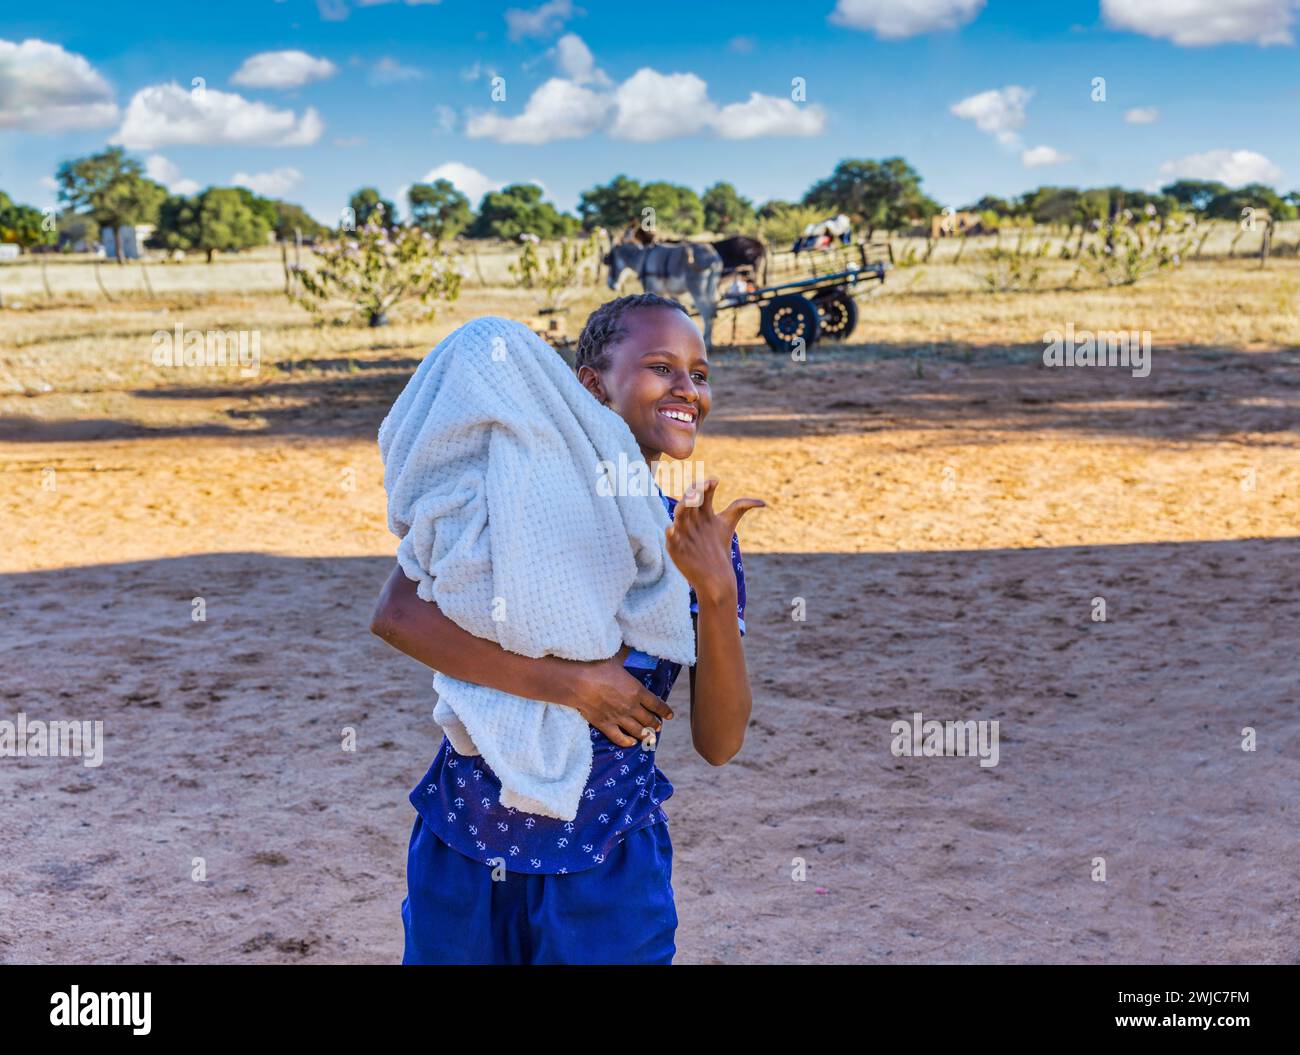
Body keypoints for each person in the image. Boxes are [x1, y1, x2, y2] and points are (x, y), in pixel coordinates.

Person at [370, 292, 765, 964]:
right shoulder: (513, 503)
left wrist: (716, 590)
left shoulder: (694, 536)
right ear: (591, 385)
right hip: (463, 842)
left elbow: (720, 742)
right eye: (661, 367)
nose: (687, 389)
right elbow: (398, 614)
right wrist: (575, 685)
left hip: (606, 862)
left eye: (699, 373)